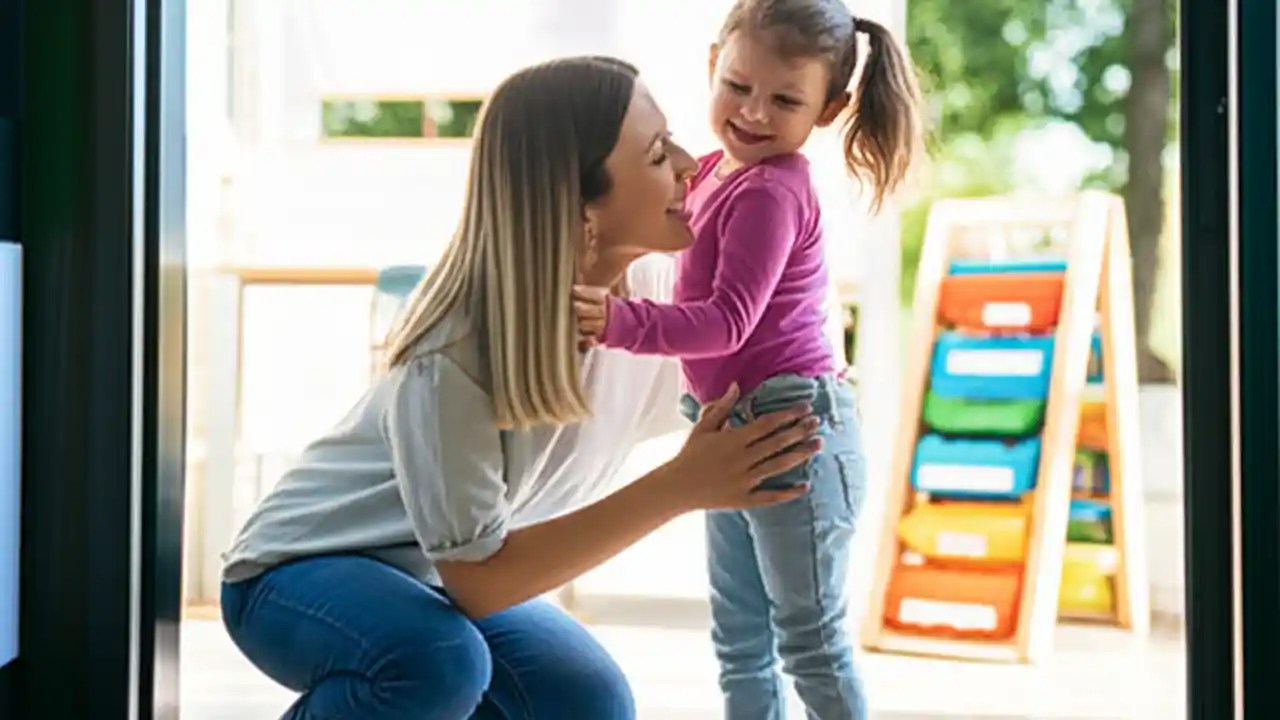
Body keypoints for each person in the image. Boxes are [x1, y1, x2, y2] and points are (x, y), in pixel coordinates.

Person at [218, 56, 824, 720]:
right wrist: (679, 487)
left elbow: (758, 362)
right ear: (583, 204)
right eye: (656, 155)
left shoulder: (661, 303)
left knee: (587, 699)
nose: (689, 163)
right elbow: (481, 580)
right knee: (438, 662)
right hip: (295, 571)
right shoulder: (456, 355)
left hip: (429, 580)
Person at [575, 2, 924, 718]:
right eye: (738, 86)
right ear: (713, 64)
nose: (755, 112)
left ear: (828, 111)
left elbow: (727, 323)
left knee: (809, 641)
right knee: (739, 641)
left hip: (792, 434)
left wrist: (618, 321)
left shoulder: (770, 191)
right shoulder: (709, 172)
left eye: (786, 100)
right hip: (735, 430)